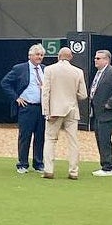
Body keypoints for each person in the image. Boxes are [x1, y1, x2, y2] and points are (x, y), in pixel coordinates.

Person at [40, 46, 88, 180]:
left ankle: (48, 170)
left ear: (58, 56)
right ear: (71, 57)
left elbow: (45, 92)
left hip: (54, 110)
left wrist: (46, 111)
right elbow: (83, 95)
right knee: (73, 142)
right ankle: (73, 171)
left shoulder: (49, 70)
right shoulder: (78, 71)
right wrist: (72, 96)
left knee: (50, 140)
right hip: (72, 110)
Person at [0, 44, 47, 174]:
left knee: (40, 136)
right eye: (37, 54)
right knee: (25, 136)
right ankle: (22, 164)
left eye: (41, 55)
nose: (39, 57)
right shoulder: (20, 69)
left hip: (42, 108)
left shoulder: (45, 69)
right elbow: (5, 83)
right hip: (27, 107)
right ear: (30, 55)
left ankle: (38, 163)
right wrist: (16, 98)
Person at [89, 49, 112, 177]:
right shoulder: (100, 73)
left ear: (106, 60)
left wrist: (110, 103)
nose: (95, 60)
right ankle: (110, 165)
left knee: (104, 140)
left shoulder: (111, 72)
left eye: (98, 58)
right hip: (98, 112)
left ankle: (108, 167)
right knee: (101, 139)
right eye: (95, 58)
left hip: (107, 113)